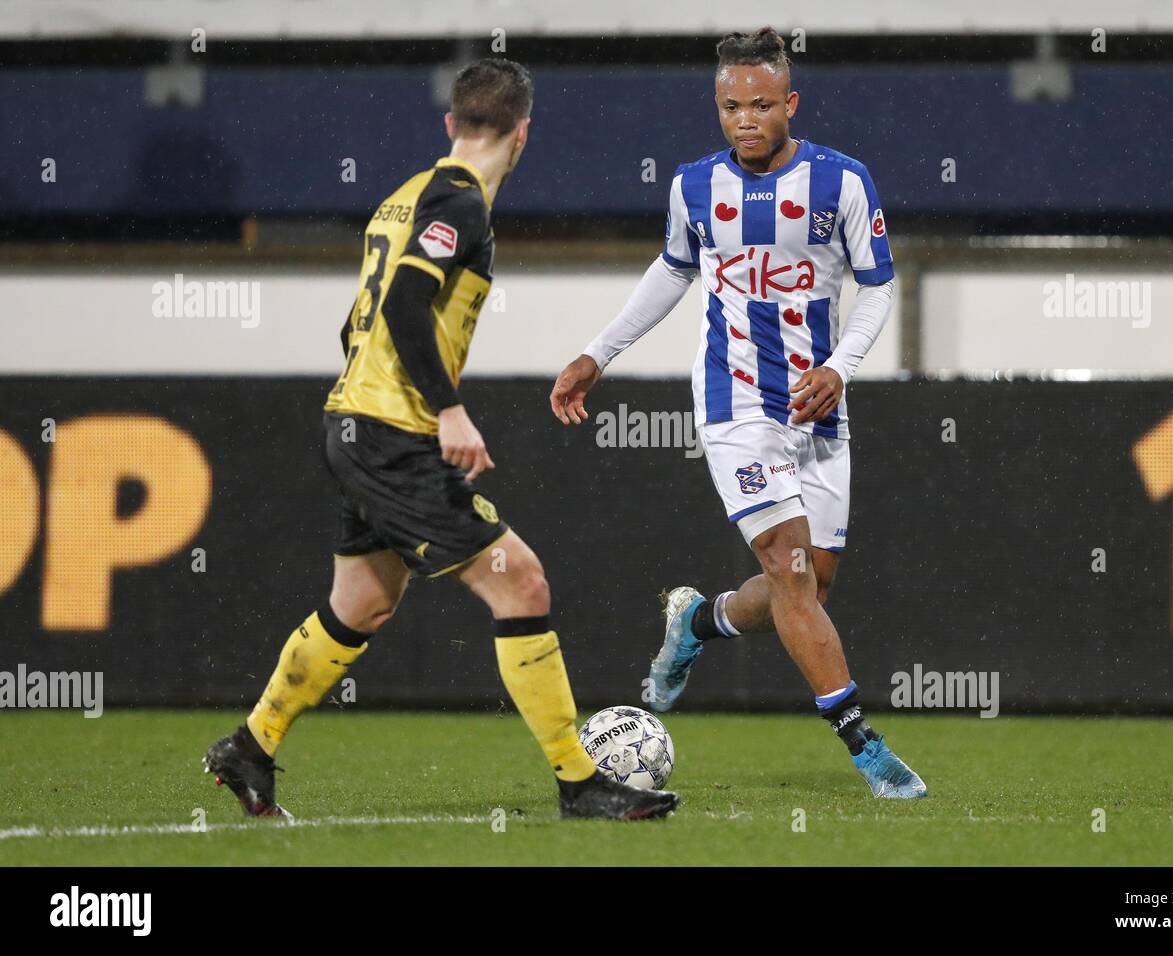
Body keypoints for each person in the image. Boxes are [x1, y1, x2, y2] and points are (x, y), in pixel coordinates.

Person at [204, 58, 679, 821]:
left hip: (353, 421)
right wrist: (447, 411)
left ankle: (250, 748)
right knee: (520, 582)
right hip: (395, 433)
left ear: (450, 123)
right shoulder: (462, 206)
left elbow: (357, 320)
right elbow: (404, 304)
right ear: (524, 133)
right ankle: (579, 782)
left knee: (359, 604)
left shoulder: (402, 198)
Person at [550, 29, 926, 798]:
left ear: (790, 103)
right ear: (716, 108)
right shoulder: (695, 187)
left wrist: (837, 367)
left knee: (812, 585)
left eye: (760, 105)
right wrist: (598, 353)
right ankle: (865, 746)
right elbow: (671, 271)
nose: (745, 120)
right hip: (735, 404)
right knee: (790, 571)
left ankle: (698, 620)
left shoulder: (842, 182)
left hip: (817, 405)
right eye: (730, 107)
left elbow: (879, 285)